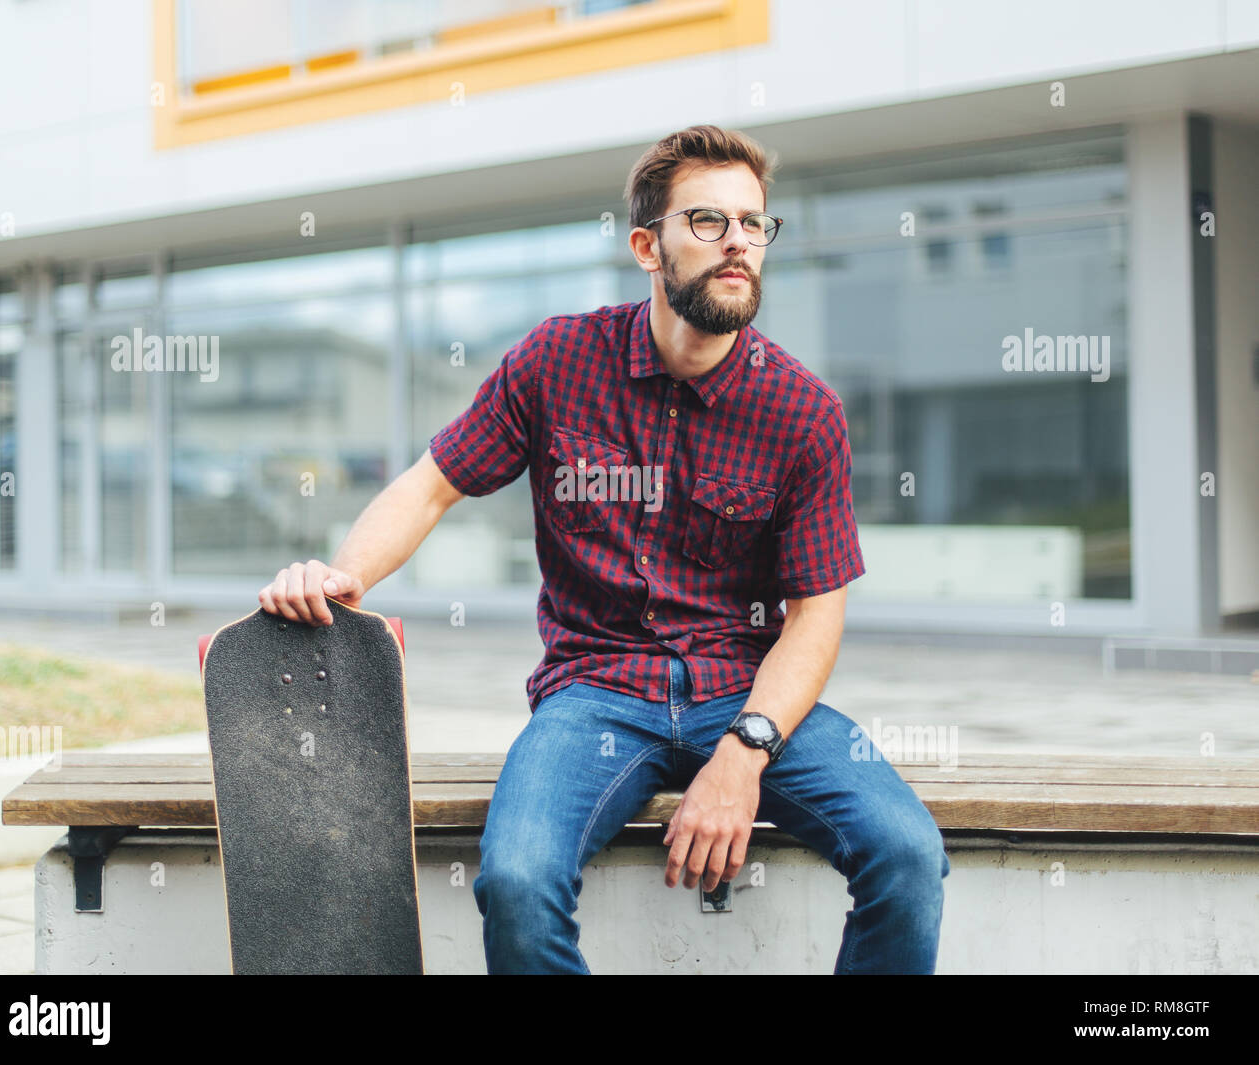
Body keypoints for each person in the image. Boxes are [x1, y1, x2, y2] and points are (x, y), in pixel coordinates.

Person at [259, 124, 950, 975]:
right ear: (645, 246)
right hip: (594, 694)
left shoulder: (801, 411)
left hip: (747, 691)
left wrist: (743, 754)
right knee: (515, 880)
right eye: (707, 221)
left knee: (909, 856)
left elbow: (814, 617)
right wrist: (342, 578)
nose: (738, 241)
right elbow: (430, 484)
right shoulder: (558, 361)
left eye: (754, 223)